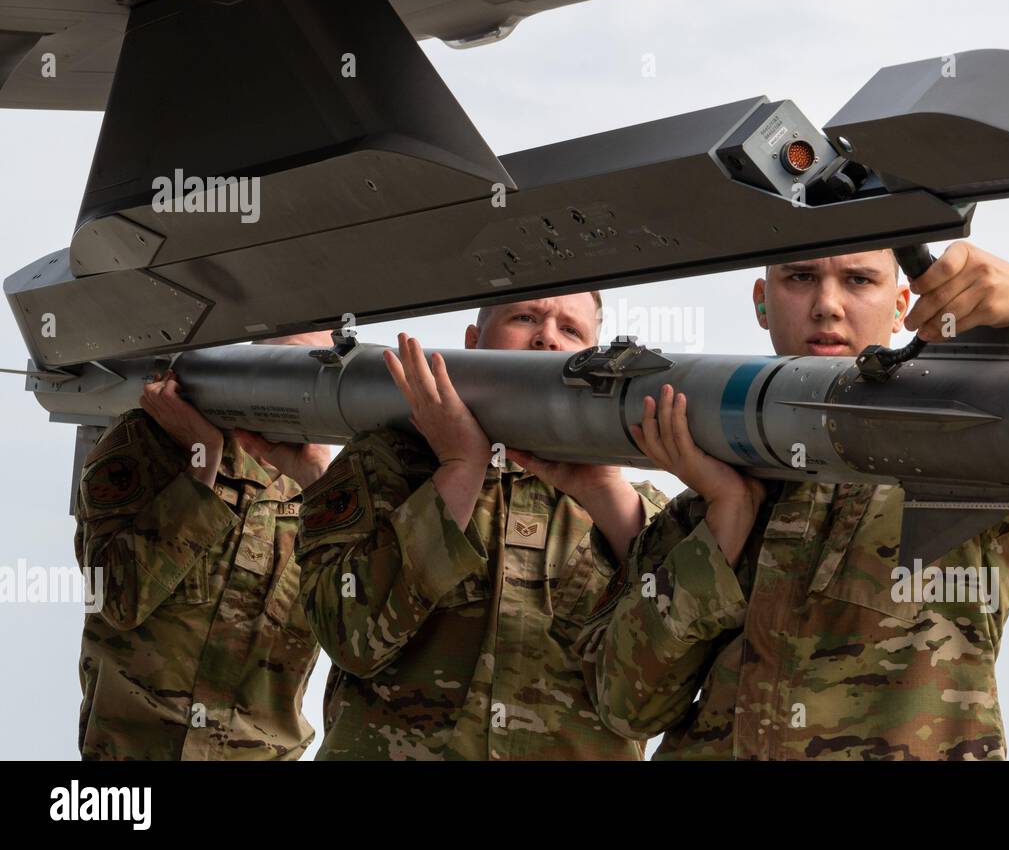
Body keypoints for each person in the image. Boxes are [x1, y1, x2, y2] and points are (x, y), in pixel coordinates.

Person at [579, 242, 1009, 760]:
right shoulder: (711, 485)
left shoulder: (968, 452)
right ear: (762, 303)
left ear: (902, 305)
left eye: (858, 280)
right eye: (800, 277)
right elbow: (629, 708)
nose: (827, 305)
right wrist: (724, 518)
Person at [296, 292, 667, 759]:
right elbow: (350, 638)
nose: (547, 338)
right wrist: (459, 468)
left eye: (571, 331)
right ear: (473, 341)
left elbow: (664, 691)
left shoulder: (639, 511)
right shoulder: (385, 463)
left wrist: (604, 493)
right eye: (525, 316)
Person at [75, 331, 335, 760]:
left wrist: (320, 482)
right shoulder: (150, 445)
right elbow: (119, 598)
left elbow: (365, 635)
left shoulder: (325, 493)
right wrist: (203, 461)